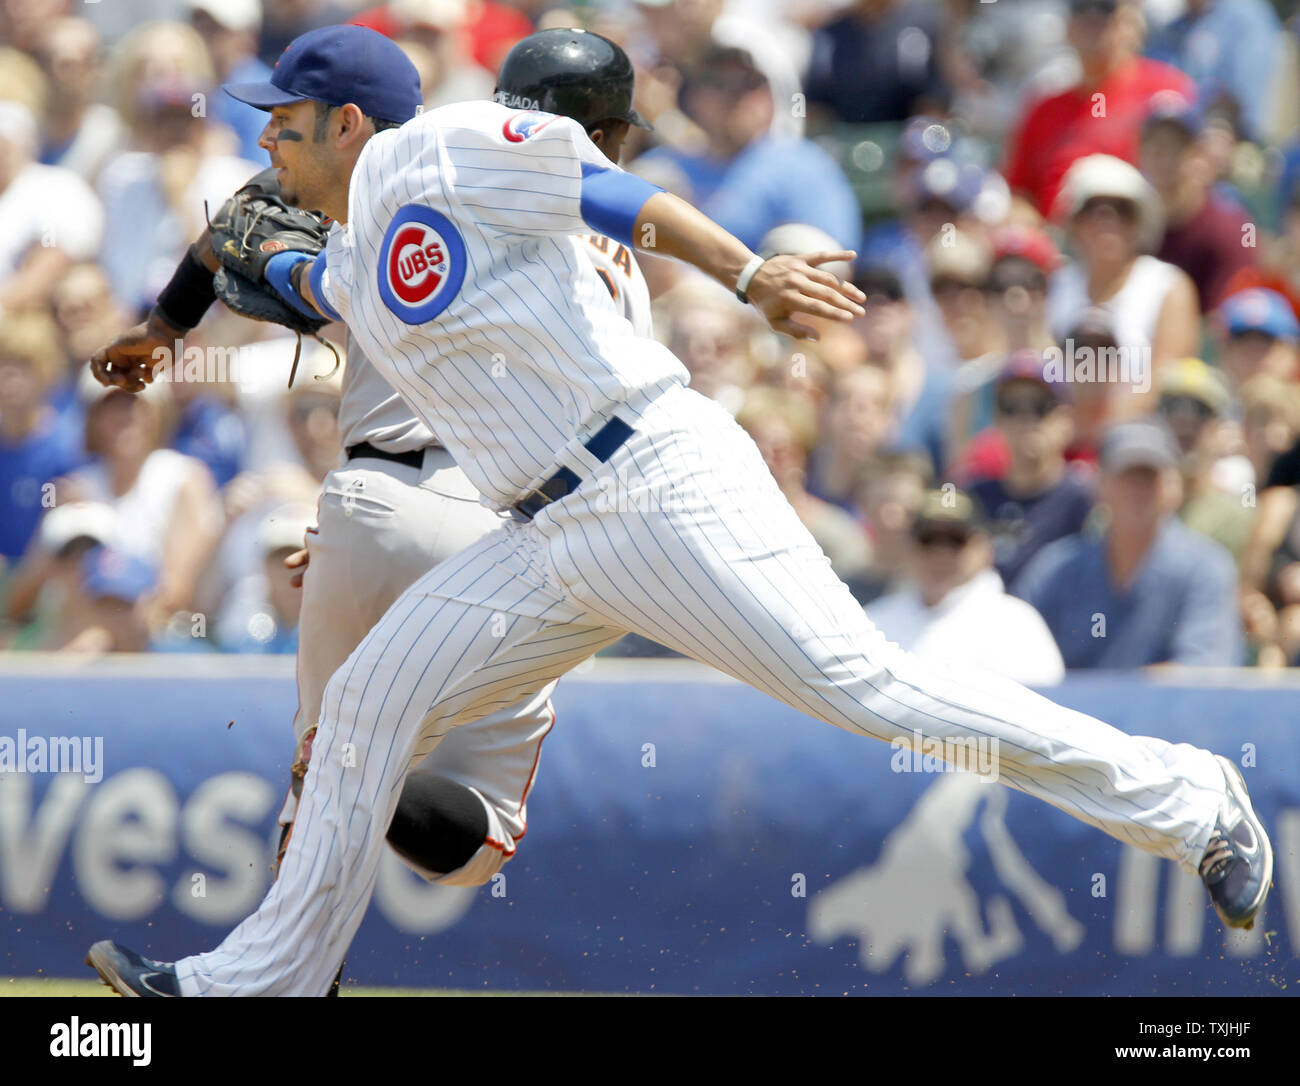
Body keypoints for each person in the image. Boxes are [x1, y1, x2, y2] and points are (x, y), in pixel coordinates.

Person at [86, 24, 1272, 998]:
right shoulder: (359, 250)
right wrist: (190, 303)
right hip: (545, 537)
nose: (265, 148)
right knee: (361, 707)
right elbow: (287, 262)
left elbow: (610, 190)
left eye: (285, 126)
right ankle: (257, 987)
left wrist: (746, 272)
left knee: (876, 690)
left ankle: (1188, 798)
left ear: (349, 125)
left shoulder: (447, 146)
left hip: (655, 483)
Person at [87, 25, 661, 995]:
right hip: (527, 543)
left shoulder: (406, 190)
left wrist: (164, 324)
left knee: (324, 784)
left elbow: (243, 225)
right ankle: (369, 789)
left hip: (376, 501)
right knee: (477, 838)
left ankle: (277, 960)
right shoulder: (623, 268)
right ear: (612, 137)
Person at [1015, 420, 1244, 668]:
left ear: (1174, 487)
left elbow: (1205, 669)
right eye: (1127, 475)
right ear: (1099, 485)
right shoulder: (1056, 569)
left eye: (1149, 477)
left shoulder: (1206, 569)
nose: (1138, 490)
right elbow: (1012, 651)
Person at [1003, 0, 1194, 217]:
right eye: (1080, 7)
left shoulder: (1166, 92)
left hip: (1147, 237)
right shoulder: (1044, 109)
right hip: (1059, 241)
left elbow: (1195, 182)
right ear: (1067, 27)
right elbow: (1019, 196)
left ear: (1132, 22)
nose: (1092, 16)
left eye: (1106, 7)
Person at [865, 488, 1065, 686]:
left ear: (984, 548)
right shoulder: (873, 622)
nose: (940, 553)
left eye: (956, 540)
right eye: (927, 539)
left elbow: (1044, 699)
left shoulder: (1016, 623)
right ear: (909, 547)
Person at [967, 351, 1095, 591]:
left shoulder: (1085, 501)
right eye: (1011, 407)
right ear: (997, 419)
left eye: (1040, 406)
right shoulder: (973, 498)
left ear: (1067, 419)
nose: (1025, 418)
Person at [1139, 100, 1257, 312]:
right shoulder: (1130, 223)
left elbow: (1234, 318)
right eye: (1155, 145)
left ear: (1198, 154)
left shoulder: (1228, 230)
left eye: (1176, 147)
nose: (1164, 157)